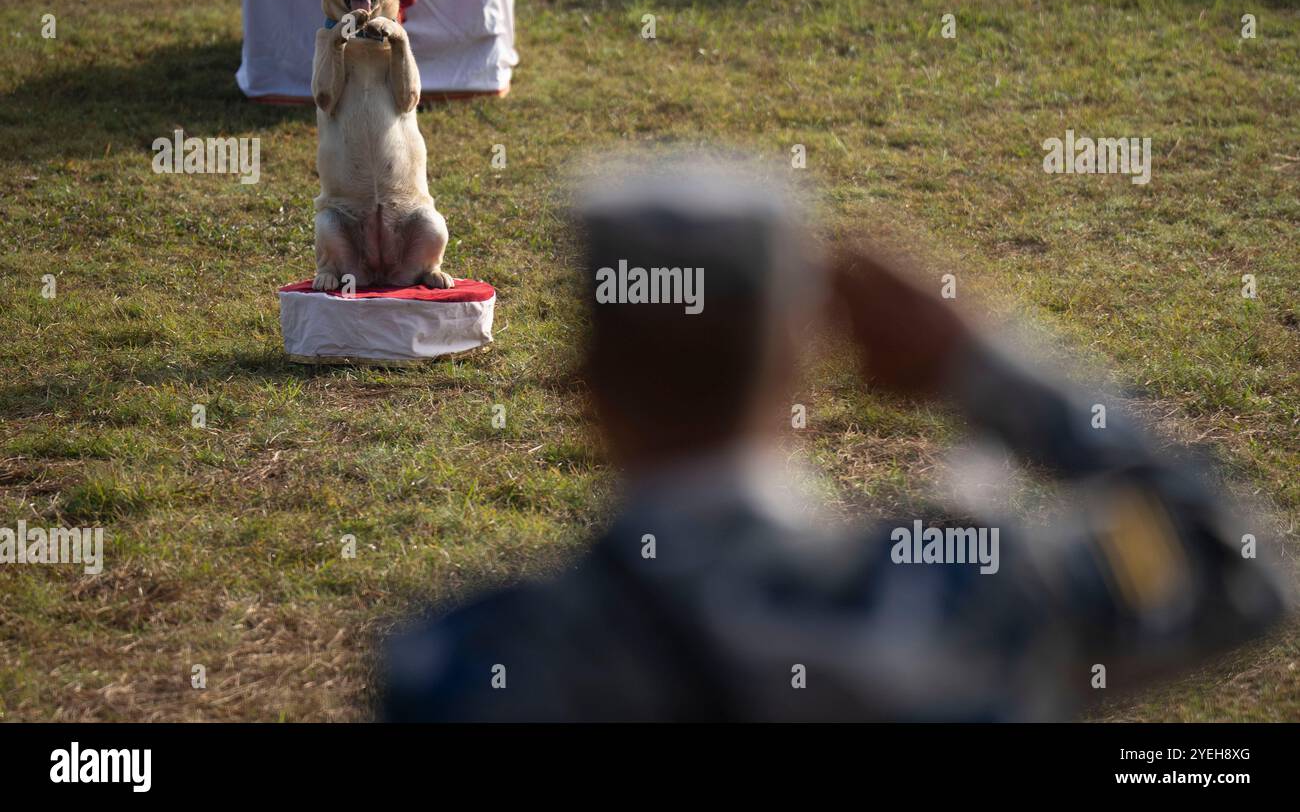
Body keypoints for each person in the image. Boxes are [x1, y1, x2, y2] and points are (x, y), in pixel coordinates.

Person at [381, 162, 1285, 721]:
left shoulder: (463, 660)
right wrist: (985, 366)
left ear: (585, 390)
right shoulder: (974, 590)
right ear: (802, 371)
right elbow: (1240, 568)